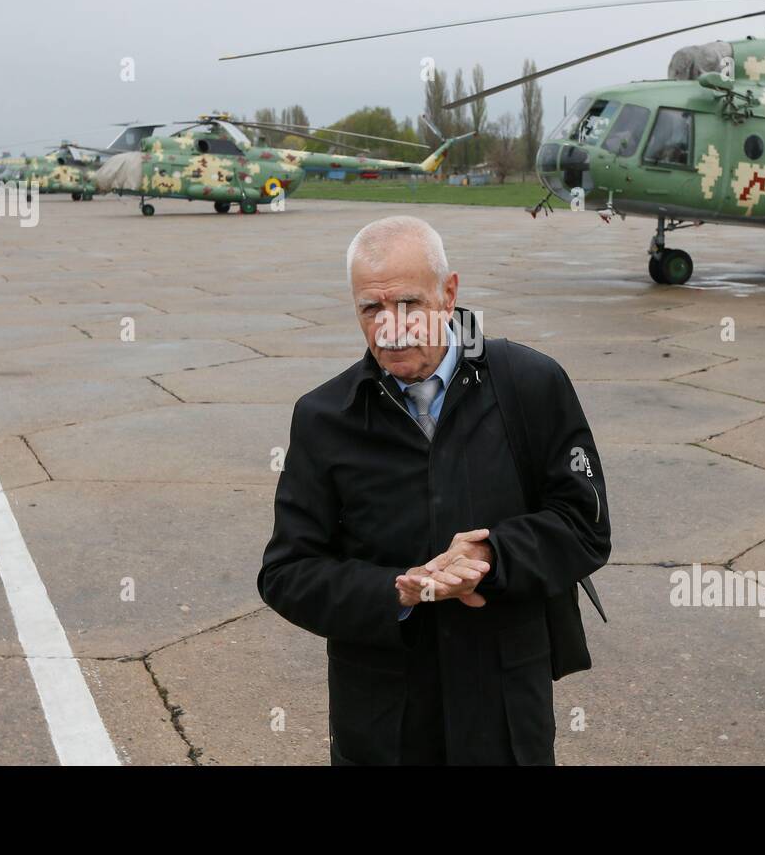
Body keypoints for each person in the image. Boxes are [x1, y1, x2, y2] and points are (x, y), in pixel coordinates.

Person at [258, 215, 610, 765]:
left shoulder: (530, 384)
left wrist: (493, 554)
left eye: (407, 304)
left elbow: (584, 527)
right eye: (371, 309)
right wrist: (397, 592)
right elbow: (286, 573)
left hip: (504, 714)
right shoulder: (324, 418)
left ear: (449, 295)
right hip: (384, 723)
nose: (390, 328)